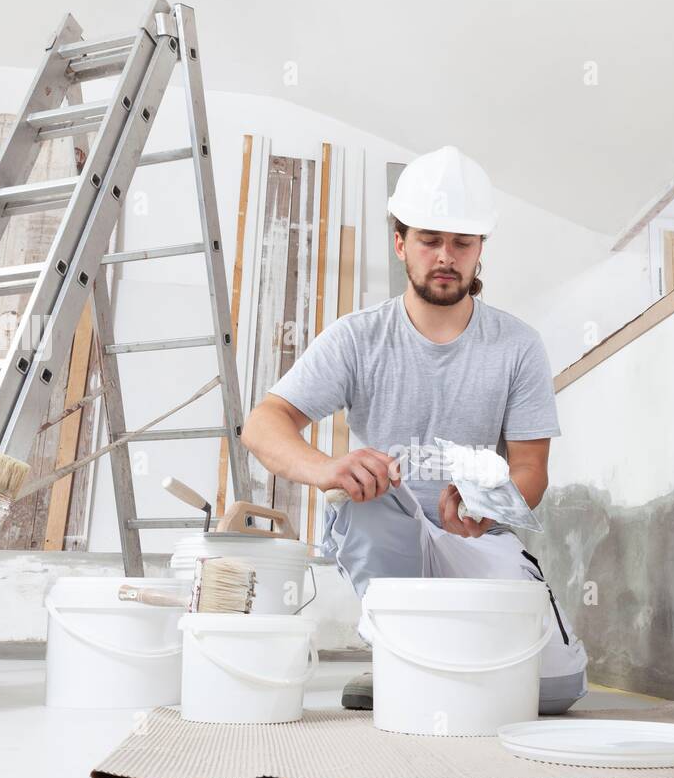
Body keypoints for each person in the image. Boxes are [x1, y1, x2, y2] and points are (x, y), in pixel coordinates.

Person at [240, 145, 587, 711]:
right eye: (429, 239)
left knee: (552, 693)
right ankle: (401, 653)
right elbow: (262, 424)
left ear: (480, 251)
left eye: (461, 243)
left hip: (477, 540)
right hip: (390, 537)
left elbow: (531, 469)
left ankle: (426, 660)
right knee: (370, 498)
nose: (445, 256)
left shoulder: (517, 346)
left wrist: (488, 505)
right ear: (401, 243)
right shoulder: (358, 338)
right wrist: (329, 468)